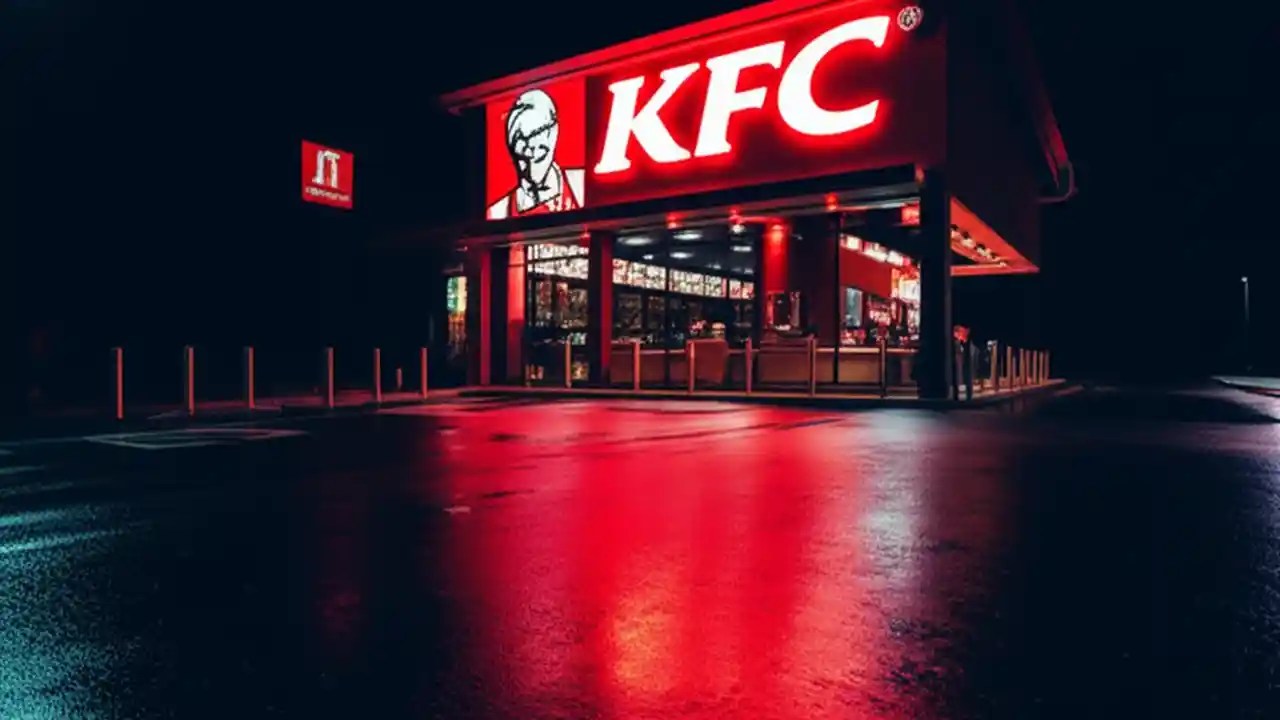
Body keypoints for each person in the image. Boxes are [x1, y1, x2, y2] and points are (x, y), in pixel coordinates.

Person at [487, 89, 584, 220]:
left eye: (537, 133)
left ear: (554, 132)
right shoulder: (497, 213)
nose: (530, 149)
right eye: (520, 139)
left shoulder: (581, 184)